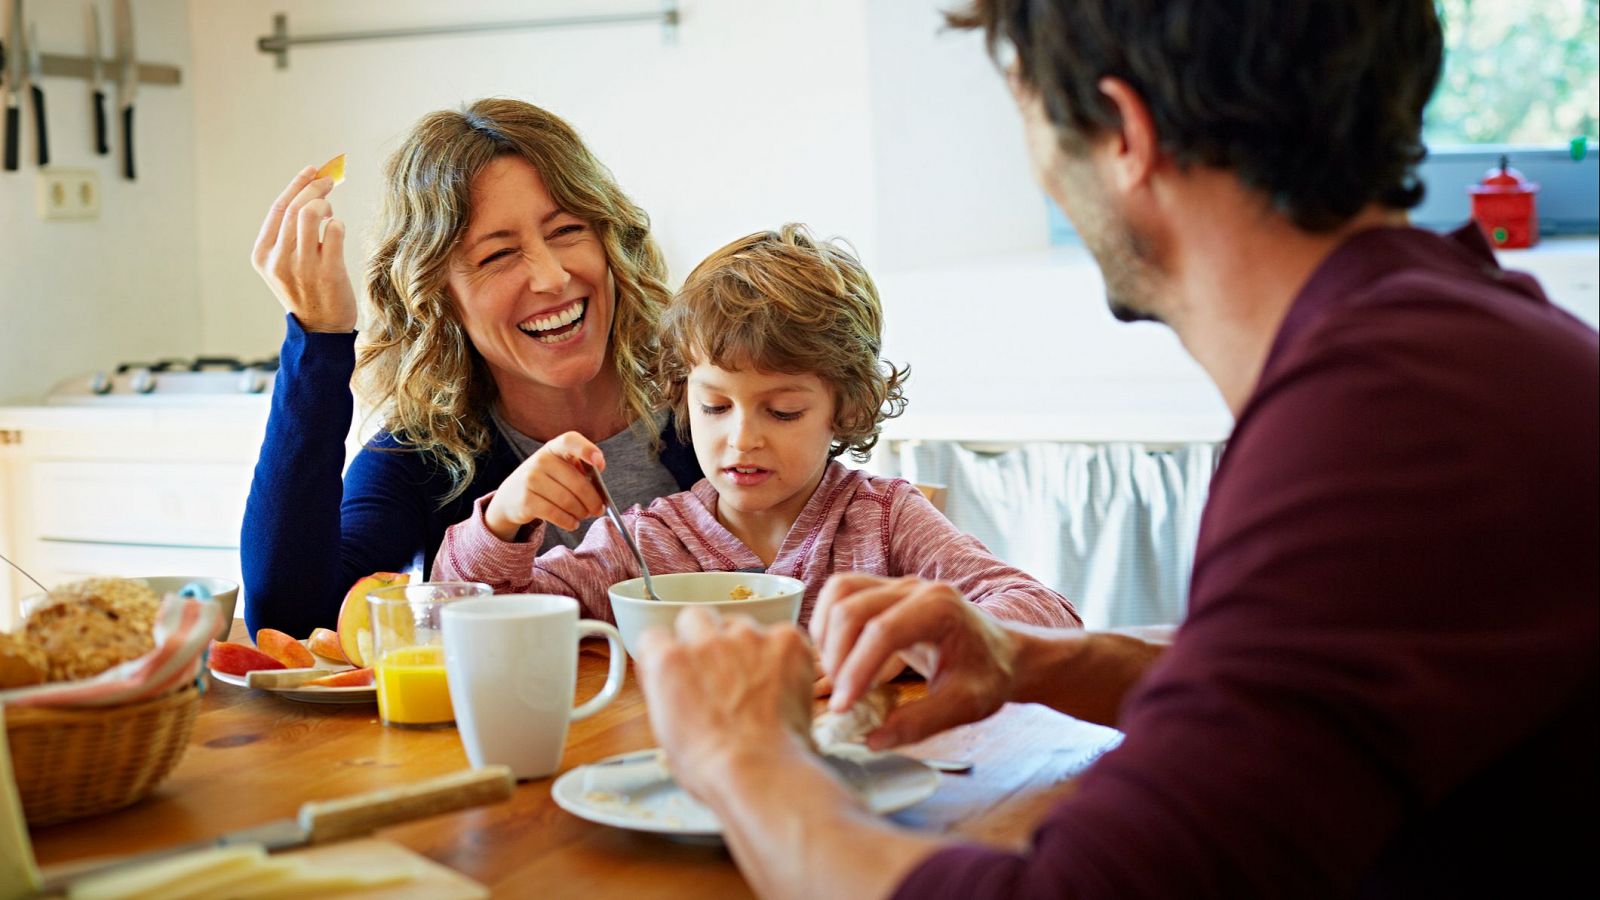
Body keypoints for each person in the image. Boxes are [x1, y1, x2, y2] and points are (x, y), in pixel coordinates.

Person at [633, 2, 1599, 898]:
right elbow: (1286, 700)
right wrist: (1039, 658)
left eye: (1027, 116)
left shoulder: (1382, 427)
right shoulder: (1454, 346)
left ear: (1123, 134)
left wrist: (741, 760)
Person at [433, 224, 1080, 637]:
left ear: (846, 409)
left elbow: (1046, 616)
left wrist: (928, 633)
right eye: (716, 408)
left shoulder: (883, 523)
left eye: (783, 411)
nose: (742, 439)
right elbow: (466, 618)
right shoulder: (652, 543)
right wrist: (505, 522)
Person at [242, 99, 701, 638]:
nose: (552, 277)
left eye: (566, 231)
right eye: (498, 255)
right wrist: (319, 339)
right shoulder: (425, 456)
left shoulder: (716, 410)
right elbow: (294, 622)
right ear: (440, 297)